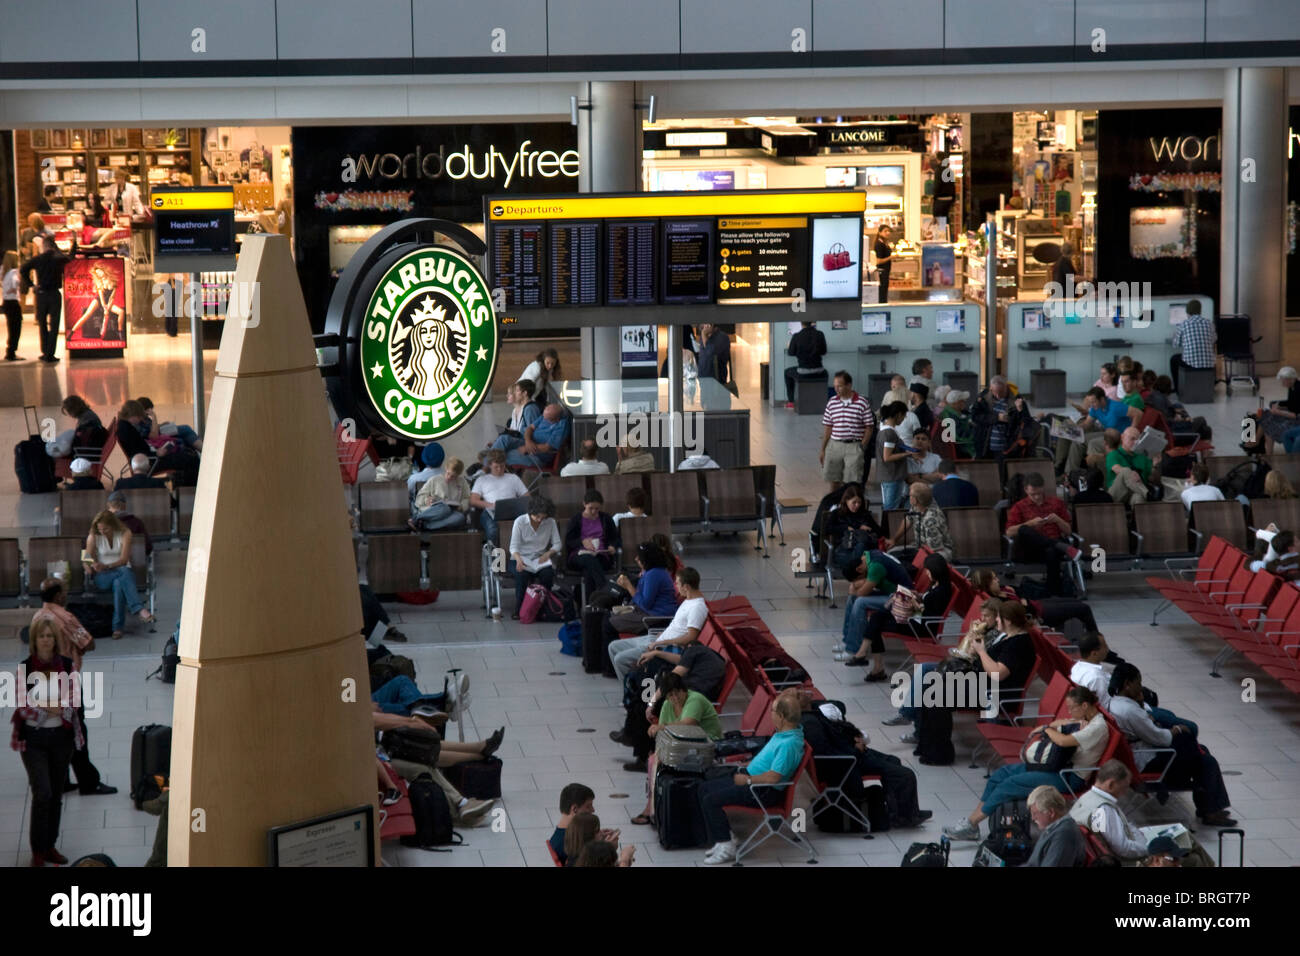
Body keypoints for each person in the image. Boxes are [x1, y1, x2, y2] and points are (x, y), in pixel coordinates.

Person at [944, 686, 1108, 843]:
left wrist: (1045, 729)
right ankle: (972, 822)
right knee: (1001, 774)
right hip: (1057, 766)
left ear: (1085, 705)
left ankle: (971, 824)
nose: (1070, 712)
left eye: (1072, 708)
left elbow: (1063, 741)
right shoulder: (1084, 718)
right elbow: (1059, 724)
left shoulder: (1097, 727)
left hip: (1070, 777)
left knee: (1010, 784)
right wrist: (1053, 725)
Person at [1108, 662, 1236, 827]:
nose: (1141, 687)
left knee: (1203, 755)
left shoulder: (1115, 703)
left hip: (1137, 756)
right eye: (1138, 683)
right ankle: (1210, 811)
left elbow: (1147, 729)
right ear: (1127, 684)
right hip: (1150, 762)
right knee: (1204, 758)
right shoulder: (1130, 711)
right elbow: (1160, 738)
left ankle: (1209, 808)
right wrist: (1175, 730)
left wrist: (1148, 719)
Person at [795, 690, 932, 830]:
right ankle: (905, 818)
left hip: (852, 754)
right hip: (849, 763)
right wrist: (855, 749)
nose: (803, 692)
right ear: (797, 705)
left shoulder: (813, 712)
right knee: (905, 775)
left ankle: (901, 813)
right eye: (799, 694)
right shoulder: (810, 724)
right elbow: (827, 753)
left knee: (894, 760)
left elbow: (839, 706)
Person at [31, 578, 116, 797]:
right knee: (77, 730)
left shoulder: (37, 618)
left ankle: (60, 779)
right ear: (58, 595)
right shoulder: (65, 618)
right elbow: (87, 642)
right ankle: (88, 782)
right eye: (65, 591)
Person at [699, 691, 805, 864]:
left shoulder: (789, 744)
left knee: (711, 800)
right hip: (751, 778)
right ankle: (726, 838)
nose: (771, 714)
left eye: (772, 711)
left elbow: (773, 778)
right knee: (704, 788)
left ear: (782, 716)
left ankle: (726, 847)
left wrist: (747, 780)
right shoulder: (784, 733)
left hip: (762, 790)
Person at [12, 618, 85, 866]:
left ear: (55, 639)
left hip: (61, 740)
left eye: (49, 636)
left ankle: (50, 845)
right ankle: (38, 851)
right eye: (41, 636)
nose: (46, 640)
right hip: (33, 741)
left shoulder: (67, 666)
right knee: (42, 792)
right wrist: (54, 707)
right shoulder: (24, 669)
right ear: (35, 639)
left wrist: (45, 705)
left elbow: (75, 701)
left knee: (55, 794)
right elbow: (23, 707)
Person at [628, 671, 724, 821]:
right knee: (654, 759)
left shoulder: (695, 700)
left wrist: (661, 727)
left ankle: (650, 810)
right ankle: (656, 807)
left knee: (655, 762)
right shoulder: (668, 704)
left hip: (707, 745)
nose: (674, 698)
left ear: (683, 690)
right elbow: (664, 734)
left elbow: (688, 724)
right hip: (683, 745)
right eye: (670, 695)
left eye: (677, 693)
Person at [847, 552, 953, 680]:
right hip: (914, 619)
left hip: (921, 627)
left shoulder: (943, 591)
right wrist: (915, 595)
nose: (926, 573)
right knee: (876, 618)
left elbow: (929, 611)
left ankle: (872, 663)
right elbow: (925, 602)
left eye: (928, 571)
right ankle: (868, 659)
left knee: (876, 622)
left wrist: (911, 600)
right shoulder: (936, 584)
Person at [607, 566, 705, 684]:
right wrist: (662, 634)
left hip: (663, 647)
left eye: (678, 583)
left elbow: (690, 638)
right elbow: (678, 627)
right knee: (613, 646)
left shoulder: (697, 608)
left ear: (686, 587)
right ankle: (630, 689)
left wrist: (660, 643)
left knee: (620, 659)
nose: (676, 586)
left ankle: (632, 694)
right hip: (658, 639)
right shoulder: (688, 600)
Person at [1004, 472, 1080, 596]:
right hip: (1032, 549)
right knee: (1024, 529)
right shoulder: (1019, 507)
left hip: (1053, 547)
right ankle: (1059, 547)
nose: (1037, 497)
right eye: (1033, 494)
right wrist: (1030, 523)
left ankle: (1051, 591)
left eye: (1039, 493)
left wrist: (1058, 520)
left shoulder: (1056, 503)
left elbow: (1068, 531)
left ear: (1043, 488)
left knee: (1051, 550)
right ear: (1026, 490)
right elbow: (1009, 532)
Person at [83, 510, 154, 640]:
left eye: (106, 529)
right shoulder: (93, 536)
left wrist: (107, 566)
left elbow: (124, 560)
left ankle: (117, 628)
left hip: (120, 572)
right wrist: (90, 566)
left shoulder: (125, 533)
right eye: (100, 529)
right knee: (124, 572)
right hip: (103, 576)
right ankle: (138, 609)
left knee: (119, 583)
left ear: (113, 525)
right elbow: (86, 557)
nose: (102, 532)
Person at [969, 567, 1099, 635]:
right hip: (1039, 615)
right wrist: (1023, 602)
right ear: (987, 584)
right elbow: (1023, 611)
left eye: (996, 577)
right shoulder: (999, 601)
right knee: (1083, 608)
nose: (998, 580)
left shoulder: (1003, 589)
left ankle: (1088, 639)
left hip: (1037, 604)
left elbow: (1023, 594)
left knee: (1074, 601)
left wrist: (1023, 601)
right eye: (994, 579)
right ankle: (1097, 642)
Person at [1068, 760, 1150, 862]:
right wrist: (1149, 849)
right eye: (1124, 787)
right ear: (1111, 784)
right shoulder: (1104, 810)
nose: (1125, 792)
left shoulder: (1086, 797)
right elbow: (1123, 849)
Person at [599, 541, 679, 639]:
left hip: (655, 618)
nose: (636, 559)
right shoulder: (654, 572)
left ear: (647, 559)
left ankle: (609, 652)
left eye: (639, 557)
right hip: (650, 613)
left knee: (608, 624)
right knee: (607, 617)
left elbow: (645, 604)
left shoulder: (653, 575)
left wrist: (628, 586)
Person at [115, 400, 199, 486]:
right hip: (152, 461)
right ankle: (190, 489)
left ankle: (182, 486)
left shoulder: (124, 426)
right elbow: (139, 452)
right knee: (191, 458)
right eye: (139, 417)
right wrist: (156, 453)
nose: (140, 420)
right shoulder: (126, 429)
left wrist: (155, 450)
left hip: (150, 457)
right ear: (133, 415)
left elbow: (139, 448)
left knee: (186, 454)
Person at [19, 233, 74, 364]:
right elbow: (71, 257)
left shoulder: (38, 259)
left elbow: (23, 269)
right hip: (54, 293)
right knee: (54, 325)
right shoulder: (58, 258)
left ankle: (44, 352)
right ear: (53, 244)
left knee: (42, 324)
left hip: (41, 293)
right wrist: (74, 245)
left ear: (44, 245)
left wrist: (32, 285)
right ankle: (50, 353)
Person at [820, 371, 875, 492]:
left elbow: (869, 427)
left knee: (852, 480)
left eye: (839, 386)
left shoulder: (862, 402)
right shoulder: (832, 402)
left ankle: (850, 505)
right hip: (835, 445)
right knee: (833, 479)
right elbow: (828, 427)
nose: (836, 389)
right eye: (835, 386)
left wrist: (862, 446)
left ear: (849, 385)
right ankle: (834, 506)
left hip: (854, 445)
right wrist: (823, 449)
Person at [507, 495, 560, 620]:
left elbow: (558, 544)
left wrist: (548, 554)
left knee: (547, 575)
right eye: (537, 517)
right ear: (531, 512)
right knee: (522, 575)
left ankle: (543, 607)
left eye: (543, 517)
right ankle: (519, 609)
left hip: (539, 559)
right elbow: (513, 547)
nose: (540, 520)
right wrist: (519, 560)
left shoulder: (550, 522)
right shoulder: (520, 522)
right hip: (520, 558)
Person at [1056, 386, 1129, 474]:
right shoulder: (1095, 408)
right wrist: (1074, 429)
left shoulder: (1116, 406)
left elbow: (1138, 413)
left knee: (1092, 443)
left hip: (1118, 436)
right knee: (1079, 440)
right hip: (1107, 433)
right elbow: (1087, 424)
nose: (1091, 405)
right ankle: (1070, 473)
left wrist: (1130, 430)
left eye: (1093, 402)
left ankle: (1089, 474)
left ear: (1102, 399)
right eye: (1090, 402)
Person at [564, 489, 620, 598]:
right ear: (584, 504)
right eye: (591, 508)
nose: (594, 511)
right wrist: (582, 541)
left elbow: (615, 537)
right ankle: (604, 589)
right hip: (579, 555)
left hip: (601, 554)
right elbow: (569, 541)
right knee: (588, 559)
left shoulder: (606, 518)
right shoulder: (576, 519)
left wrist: (612, 546)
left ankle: (590, 605)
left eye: (597, 509)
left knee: (589, 571)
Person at [469, 449, 528, 544]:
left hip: (512, 510)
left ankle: (516, 557)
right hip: (490, 511)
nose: (500, 469)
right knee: (493, 531)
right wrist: (491, 505)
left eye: (502, 466)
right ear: (490, 465)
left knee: (522, 530)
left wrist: (517, 504)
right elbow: (473, 500)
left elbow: (527, 497)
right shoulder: (482, 480)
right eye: (496, 467)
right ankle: (495, 557)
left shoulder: (513, 478)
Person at [1023, 785, 1088, 867]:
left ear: (1051, 812)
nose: (1033, 818)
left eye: (1035, 813)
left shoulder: (1064, 835)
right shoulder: (1052, 828)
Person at [971, 375, 1029, 458]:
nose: (998, 396)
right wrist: (996, 418)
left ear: (1006, 387)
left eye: (1001, 392)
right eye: (995, 392)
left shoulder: (1017, 399)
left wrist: (1020, 410)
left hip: (1007, 447)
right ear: (991, 388)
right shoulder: (983, 397)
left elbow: (1026, 422)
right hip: (985, 446)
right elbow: (975, 416)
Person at [409, 457, 472, 531]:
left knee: (460, 518)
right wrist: (427, 500)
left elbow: (467, 498)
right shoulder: (434, 479)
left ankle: (425, 525)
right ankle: (416, 519)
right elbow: (419, 497)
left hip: (451, 513)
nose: (449, 477)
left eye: (453, 476)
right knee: (445, 508)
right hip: (435, 512)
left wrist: (462, 506)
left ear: (458, 475)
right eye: (448, 473)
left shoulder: (462, 482)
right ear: (446, 468)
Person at [895, 482, 953, 561]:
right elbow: (908, 520)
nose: (909, 497)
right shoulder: (920, 504)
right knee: (893, 553)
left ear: (915, 500)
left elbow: (934, 550)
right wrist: (894, 540)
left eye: (910, 495)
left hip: (939, 553)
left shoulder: (930, 520)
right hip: (922, 547)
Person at [1170, 300, 1215, 394]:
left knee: (1174, 359)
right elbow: (1213, 339)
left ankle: (1179, 390)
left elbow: (1175, 344)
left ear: (1187, 312)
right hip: (1209, 364)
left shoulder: (1183, 324)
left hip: (1191, 364)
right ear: (1200, 311)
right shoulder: (1209, 323)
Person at [507, 402, 568, 469]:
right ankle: (494, 459)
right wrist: (528, 441)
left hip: (537, 457)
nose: (545, 408)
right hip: (528, 443)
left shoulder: (561, 425)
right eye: (546, 408)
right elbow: (530, 428)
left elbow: (547, 447)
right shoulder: (543, 417)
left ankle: (495, 463)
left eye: (548, 409)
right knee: (504, 439)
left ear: (556, 419)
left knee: (506, 456)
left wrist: (527, 448)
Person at [1104, 427, 1154, 505]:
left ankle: (1141, 515)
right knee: (1125, 471)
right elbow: (1117, 469)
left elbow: (1152, 478)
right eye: (1132, 439)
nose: (1135, 442)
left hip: (1134, 492)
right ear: (1122, 437)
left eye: (1137, 440)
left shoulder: (1143, 457)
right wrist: (1132, 474)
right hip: (1116, 493)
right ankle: (1148, 495)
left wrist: (1156, 465)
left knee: (1139, 498)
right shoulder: (1113, 454)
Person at [783, 320, 828, 407]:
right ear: (812, 322)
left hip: (803, 371)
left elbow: (790, 353)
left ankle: (791, 401)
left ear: (801, 323)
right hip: (819, 370)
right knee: (826, 372)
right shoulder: (820, 334)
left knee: (787, 372)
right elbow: (824, 351)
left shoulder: (797, 336)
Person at [489, 380, 540, 454]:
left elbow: (533, 431)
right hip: (519, 438)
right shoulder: (524, 408)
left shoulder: (530, 409)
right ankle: (488, 460)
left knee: (503, 440)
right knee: (496, 443)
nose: (515, 393)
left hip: (525, 441)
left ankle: (488, 462)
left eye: (517, 391)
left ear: (525, 393)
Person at [876, 401, 911, 513]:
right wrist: (906, 454)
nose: (903, 420)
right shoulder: (889, 433)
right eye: (903, 416)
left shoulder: (883, 429)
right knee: (892, 510)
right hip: (892, 476)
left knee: (889, 506)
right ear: (898, 414)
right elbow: (887, 457)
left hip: (887, 475)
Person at [549, 783, 596, 864]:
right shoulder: (573, 842)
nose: (593, 810)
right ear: (575, 809)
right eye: (588, 806)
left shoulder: (560, 836)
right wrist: (607, 848)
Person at [136, 398, 202, 452]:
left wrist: (162, 425)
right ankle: (202, 449)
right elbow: (154, 436)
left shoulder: (145, 419)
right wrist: (154, 416)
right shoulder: (139, 423)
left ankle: (199, 451)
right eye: (149, 410)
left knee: (184, 436)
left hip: (160, 433)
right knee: (185, 429)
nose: (150, 412)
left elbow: (152, 427)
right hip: (157, 439)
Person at [938, 389, 975, 458]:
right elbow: (959, 436)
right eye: (962, 401)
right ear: (955, 403)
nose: (964, 402)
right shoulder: (949, 416)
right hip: (962, 448)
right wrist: (975, 432)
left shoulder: (955, 412)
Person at [2, 249, 23, 361]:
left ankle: (10, 351)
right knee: (16, 328)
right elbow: (14, 286)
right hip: (13, 302)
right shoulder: (14, 272)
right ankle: (11, 352)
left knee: (11, 327)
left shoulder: (3, 271)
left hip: (6, 302)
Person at [873, 224, 894, 302]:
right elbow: (879, 261)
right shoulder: (879, 244)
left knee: (884, 291)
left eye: (889, 231)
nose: (888, 233)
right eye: (885, 231)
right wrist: (891, 257)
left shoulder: (884, 243)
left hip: (886, 270)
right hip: (882, 271)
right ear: (880, 232)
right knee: (882, 291)